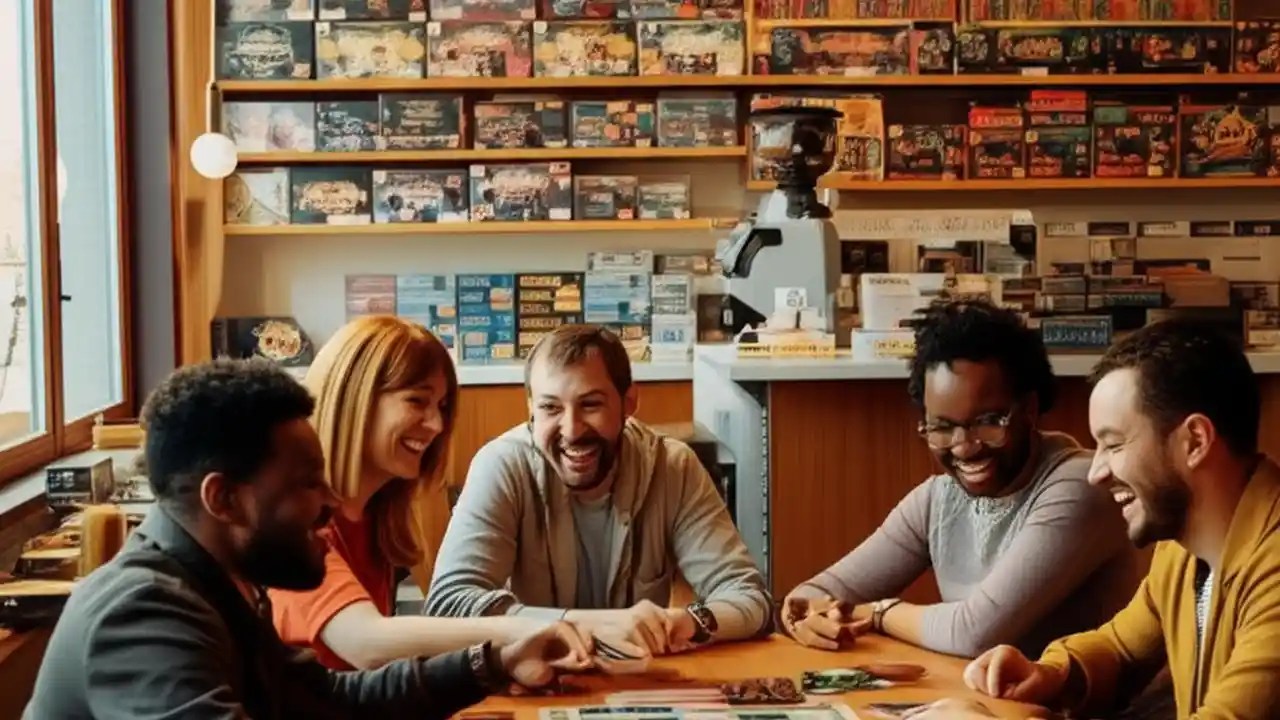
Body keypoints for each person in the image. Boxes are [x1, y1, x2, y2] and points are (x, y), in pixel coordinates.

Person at [24, 359, 591, 719]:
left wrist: (493, 661)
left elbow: (327, 700)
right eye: (306, 484)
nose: (329, 503)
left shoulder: (222, 584)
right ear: (224, 499)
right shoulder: (144, 614)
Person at [781, 300, 1145, 659]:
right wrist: (806, 617)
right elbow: (815, 593)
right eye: (942, 427)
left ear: (1030, 410)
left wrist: (877, 613)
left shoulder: (1080, 486)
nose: (963, 448)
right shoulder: (938, 500)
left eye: (987, 422)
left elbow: (975, 633)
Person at [965, 319, 1280, 718]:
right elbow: (1121, 648)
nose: (1096, 472)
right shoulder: (1183, 548)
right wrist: (1051, 673)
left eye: (1113, 444)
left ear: (1195, 441)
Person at [425, 324, 772, 657]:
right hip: (535, 681)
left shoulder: (673, 468)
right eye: (550, 408)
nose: (572, 430)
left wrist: (692, 622)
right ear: (530, 407)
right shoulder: (501, 465)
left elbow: (751, 600)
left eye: (591, 405)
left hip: (642, 684)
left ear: (629, 402)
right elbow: (448, 606)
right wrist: (588, 625)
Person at [270, 316, 553, 670]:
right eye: (417, 401)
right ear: (356, 399)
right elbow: (366, 644)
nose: (436, 425)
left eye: (442, 407)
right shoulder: (296, 525)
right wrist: (531, 630)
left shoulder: (377, 521)